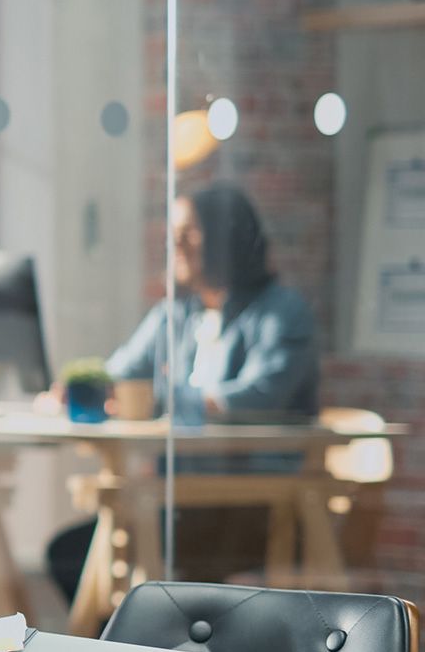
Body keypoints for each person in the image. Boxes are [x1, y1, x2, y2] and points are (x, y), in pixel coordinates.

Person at [45, 181, 320, 600]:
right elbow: (117, 373)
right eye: (173, 232)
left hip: (250, 506)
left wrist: (161, 401)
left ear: (227, 239)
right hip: (178, 500)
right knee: (68, 555)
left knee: (97, 556)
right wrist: (77, 388)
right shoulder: (174, 316)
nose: (174, 243)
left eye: (189, 232)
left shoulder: (281, 312)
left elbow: (258, 397)